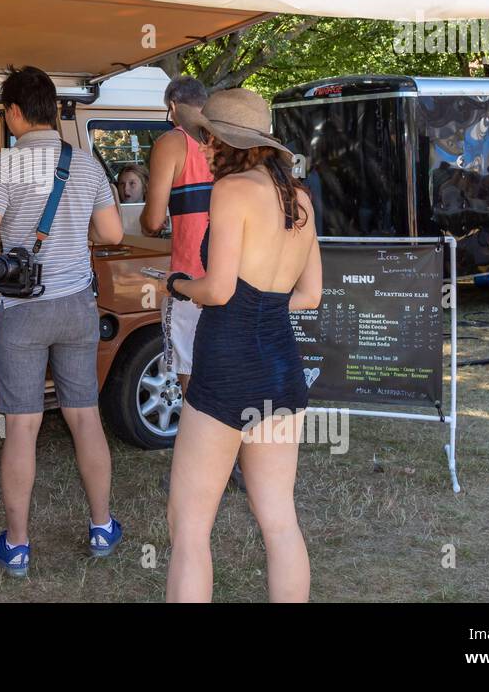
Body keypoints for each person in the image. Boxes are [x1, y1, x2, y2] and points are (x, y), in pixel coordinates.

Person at [163, 88, 322, 603]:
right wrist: (265, 308)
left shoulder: (231, 190)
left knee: (188, 528)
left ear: (226, 142)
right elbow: (311, 295)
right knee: (280, 522)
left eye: (207, 138)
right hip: (281, 368)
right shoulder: (299, 199)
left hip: (226, 366)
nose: (203, 147)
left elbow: (219, 290)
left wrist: (175, 284)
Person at [0, 66, 125, 577]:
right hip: (77, 306)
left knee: (22, 427)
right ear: (54, 109)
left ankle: (17, 545)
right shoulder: (85, 163)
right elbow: (112, 232)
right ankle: (101, 525)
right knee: (84, 416)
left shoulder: (4, 167)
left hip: (23, 312)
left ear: (13, 112)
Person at [140, 76, 212, 399]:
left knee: (193, 386)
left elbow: (153, 221)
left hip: (188, 281)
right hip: (233, 280)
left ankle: (199, 448)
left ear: (172, 107)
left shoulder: (172, 142)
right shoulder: (228, 142)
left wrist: (143, 220)